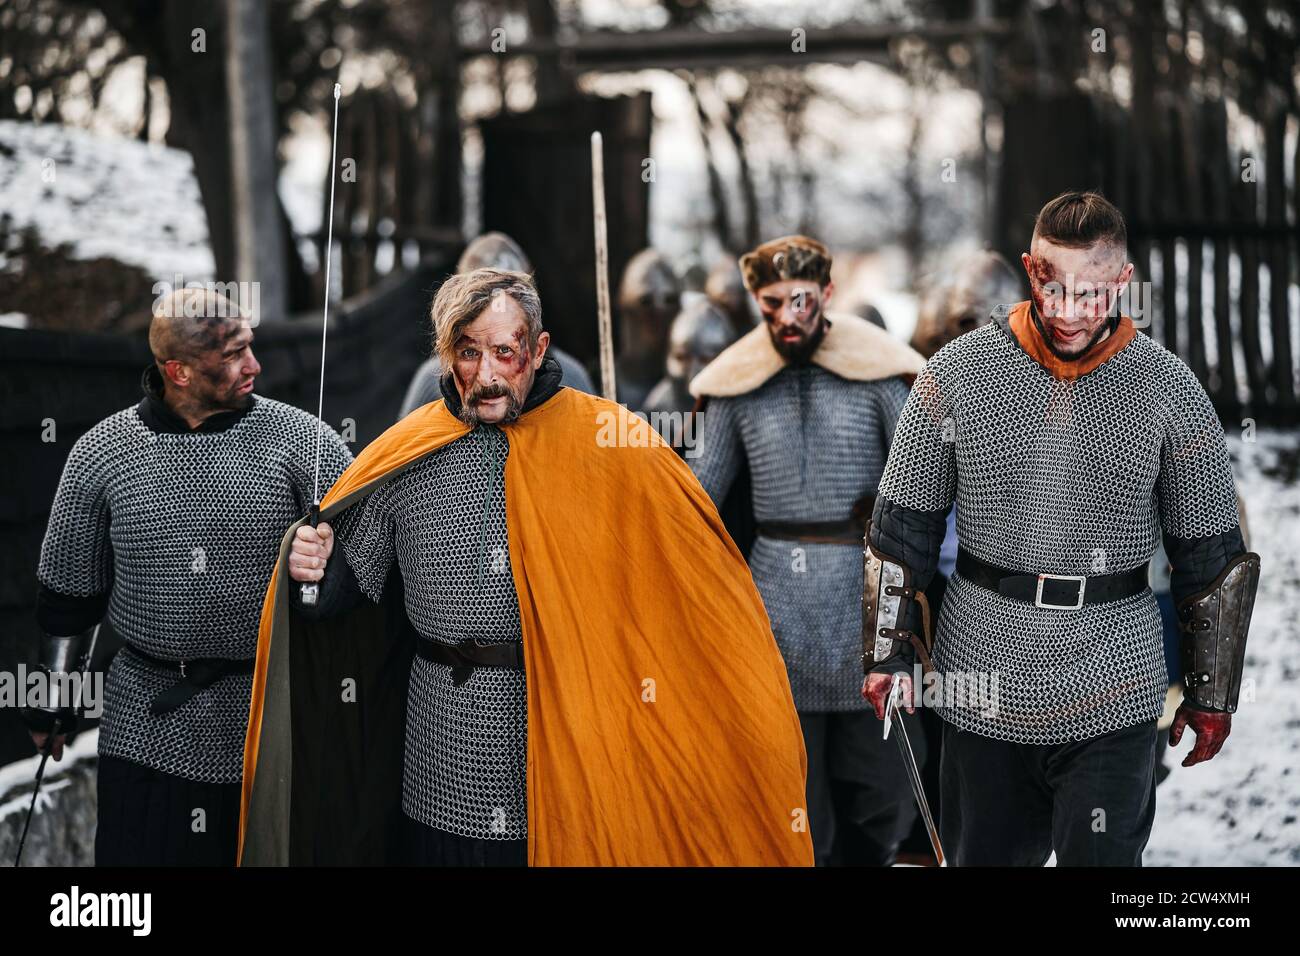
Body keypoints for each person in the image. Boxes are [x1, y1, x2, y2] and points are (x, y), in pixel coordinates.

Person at [239, 268, 813, 867]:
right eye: (467, 353)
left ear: (537, 350)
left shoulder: (612, 445)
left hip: (577, 727)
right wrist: (313, 571)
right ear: (445, 354)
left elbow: (688, 578)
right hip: (447, 743)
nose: (485, 375)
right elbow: (348, 591)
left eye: (504, 352)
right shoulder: (407, 454)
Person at [863, 190, 1259, 866]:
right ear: (1029, 268)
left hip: (1114, 679)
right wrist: (886, 653)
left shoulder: (1168, 389)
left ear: (1124, 282)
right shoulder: (956, 376)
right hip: (981, 677)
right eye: (1054, 286)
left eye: (1094, 293)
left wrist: (1211, 692)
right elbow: (902, 531)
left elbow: (1210, 553)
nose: (1071, 311)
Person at [23, 287, 351, 865]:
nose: (254, 366)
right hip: (146, 720)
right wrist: (53, 701)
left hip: (267, 716)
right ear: (177, 371)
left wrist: (326, 570)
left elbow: (364, 561)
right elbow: (70, 595)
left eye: (250, 347)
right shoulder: (103, 453)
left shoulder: (303, 443)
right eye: (231, 356)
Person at [688, 234, 927, 865]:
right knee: (791, 802)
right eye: (771, 304)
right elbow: (699, 498)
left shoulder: (879, 377)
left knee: (883, 791)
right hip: (774, 614)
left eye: (800, 300)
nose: (788, 318)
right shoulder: (739, 385)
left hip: (865, 603)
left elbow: (925, 486)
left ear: (826, 293)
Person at [398, 231, 593, 417]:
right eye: (470, 353)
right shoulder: (432, 379)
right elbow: (405, 446)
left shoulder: (571, 376)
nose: (486, 375)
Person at [641, 297, 739, 452]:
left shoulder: (743, 407)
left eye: (705, 359)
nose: (693, 373)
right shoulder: (656, 413)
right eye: (682, 358)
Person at [613, 248, 682, 410]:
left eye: (669, 300)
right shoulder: (597, 381)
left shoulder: (690, 385)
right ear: (626, 307)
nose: (660, 313)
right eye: (646, 302)